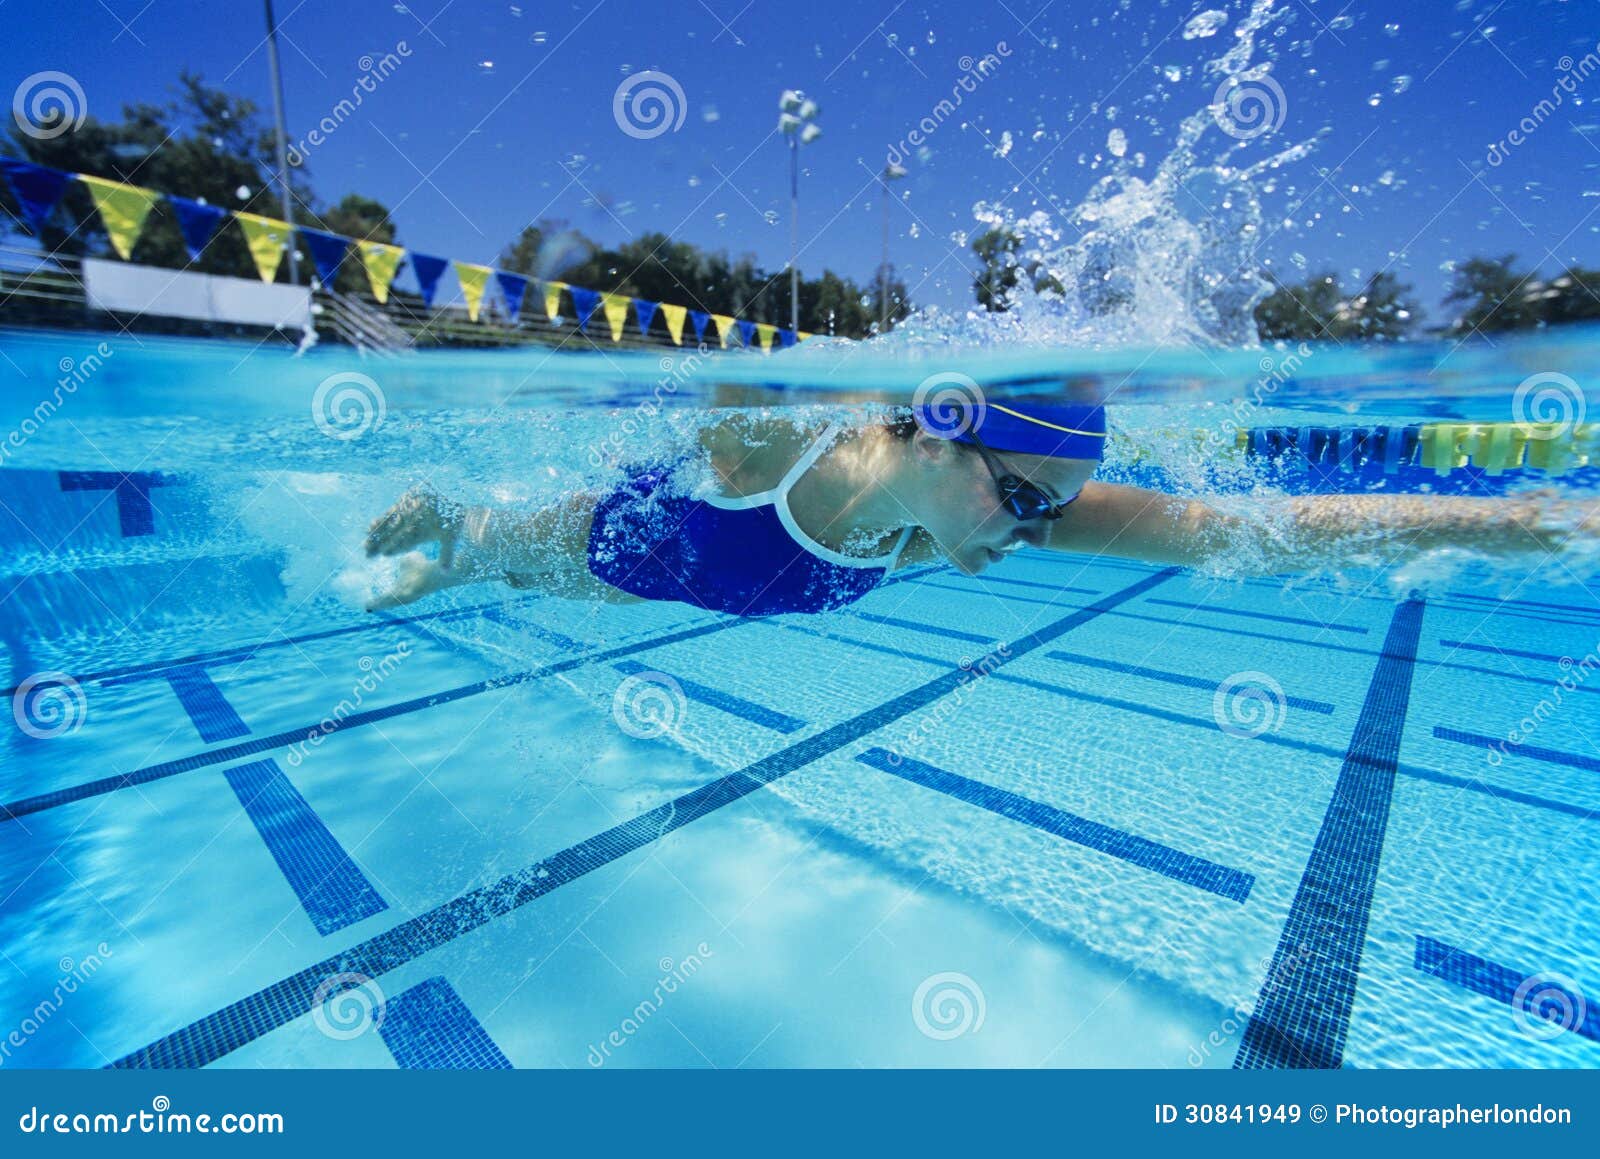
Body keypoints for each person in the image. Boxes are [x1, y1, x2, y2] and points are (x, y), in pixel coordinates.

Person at [363, 400, 1585, 615]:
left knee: (486, 579)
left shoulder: (983, 502)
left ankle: (440, 551)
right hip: (617, 538)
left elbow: (1233, 535)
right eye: (1018, 498)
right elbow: (679, 403)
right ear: (937, 437)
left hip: (670, 589)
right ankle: (442, 514)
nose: (1025, 527)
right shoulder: (783, 436)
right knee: (491, 553)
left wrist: (1509, 519)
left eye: (1044, 510)